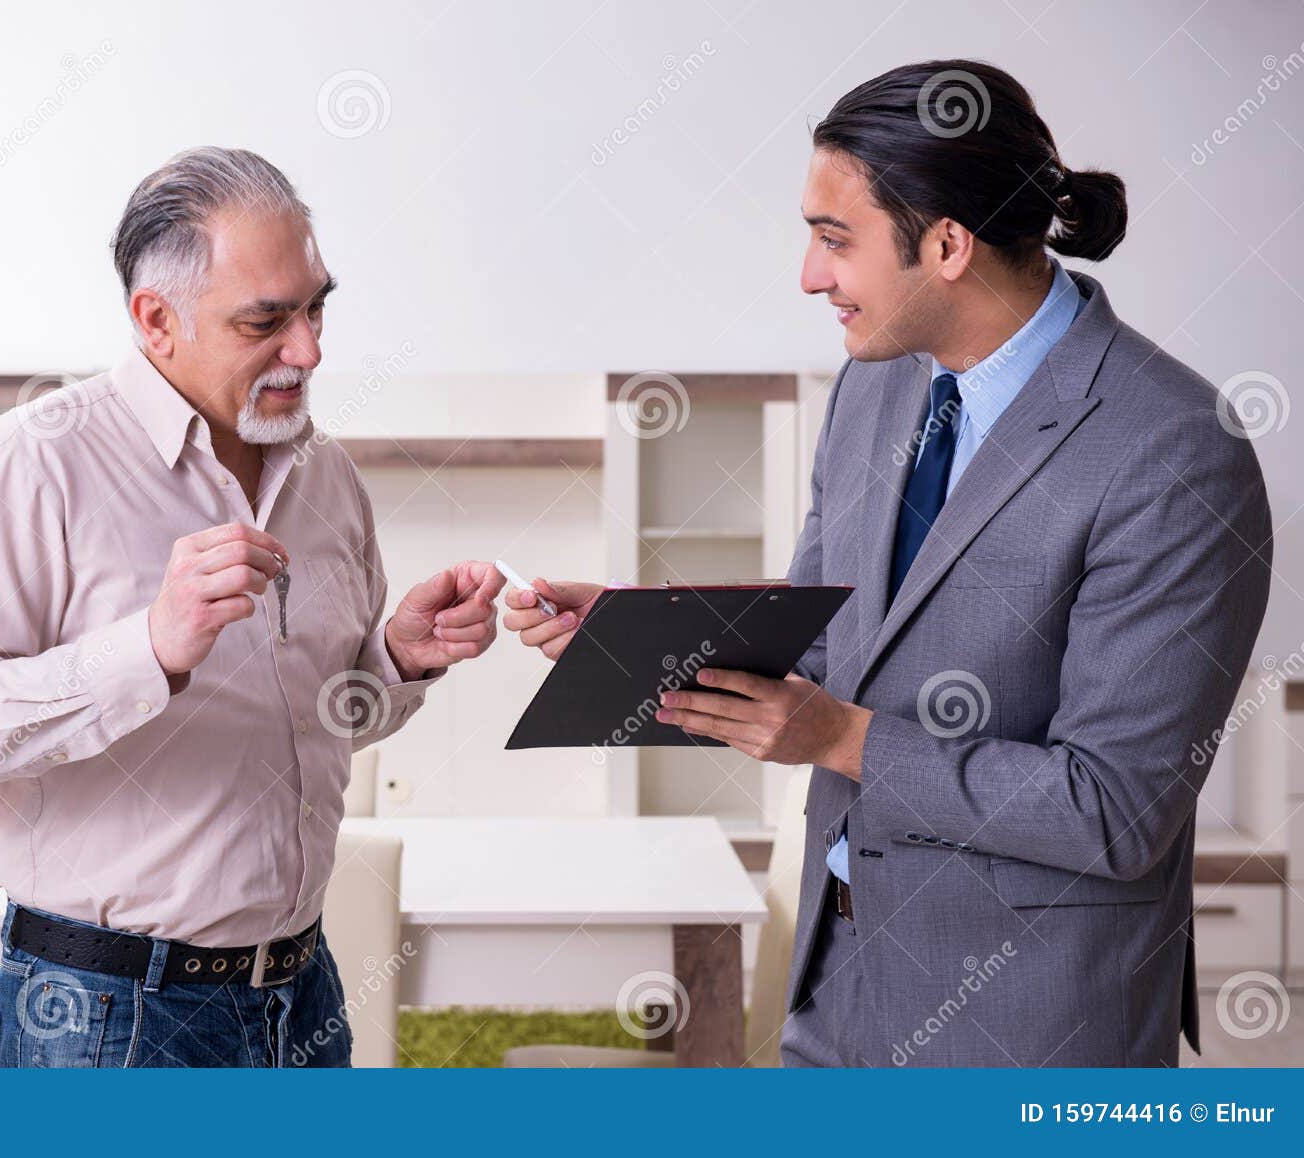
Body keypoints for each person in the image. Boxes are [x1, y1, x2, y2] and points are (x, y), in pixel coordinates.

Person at [504, 60, 1272, 1067]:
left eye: (834, 240)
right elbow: (823, 652)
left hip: (1027, 1027)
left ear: (946, 244)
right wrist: (643, 630)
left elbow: (1114, 810)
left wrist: (843, 738)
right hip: (836, 989)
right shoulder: (874, 390)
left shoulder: (1172, 450)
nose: (808, 275)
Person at [0, 147, 504, 1067]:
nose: (311, 349)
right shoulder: (28, 465)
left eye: (318, 305)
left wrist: (396, 659)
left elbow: (312, 727)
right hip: (104, 1017)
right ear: (156, 320)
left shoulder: (324, 471)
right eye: (267, 321)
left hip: (303, 994)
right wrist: (149, 650)